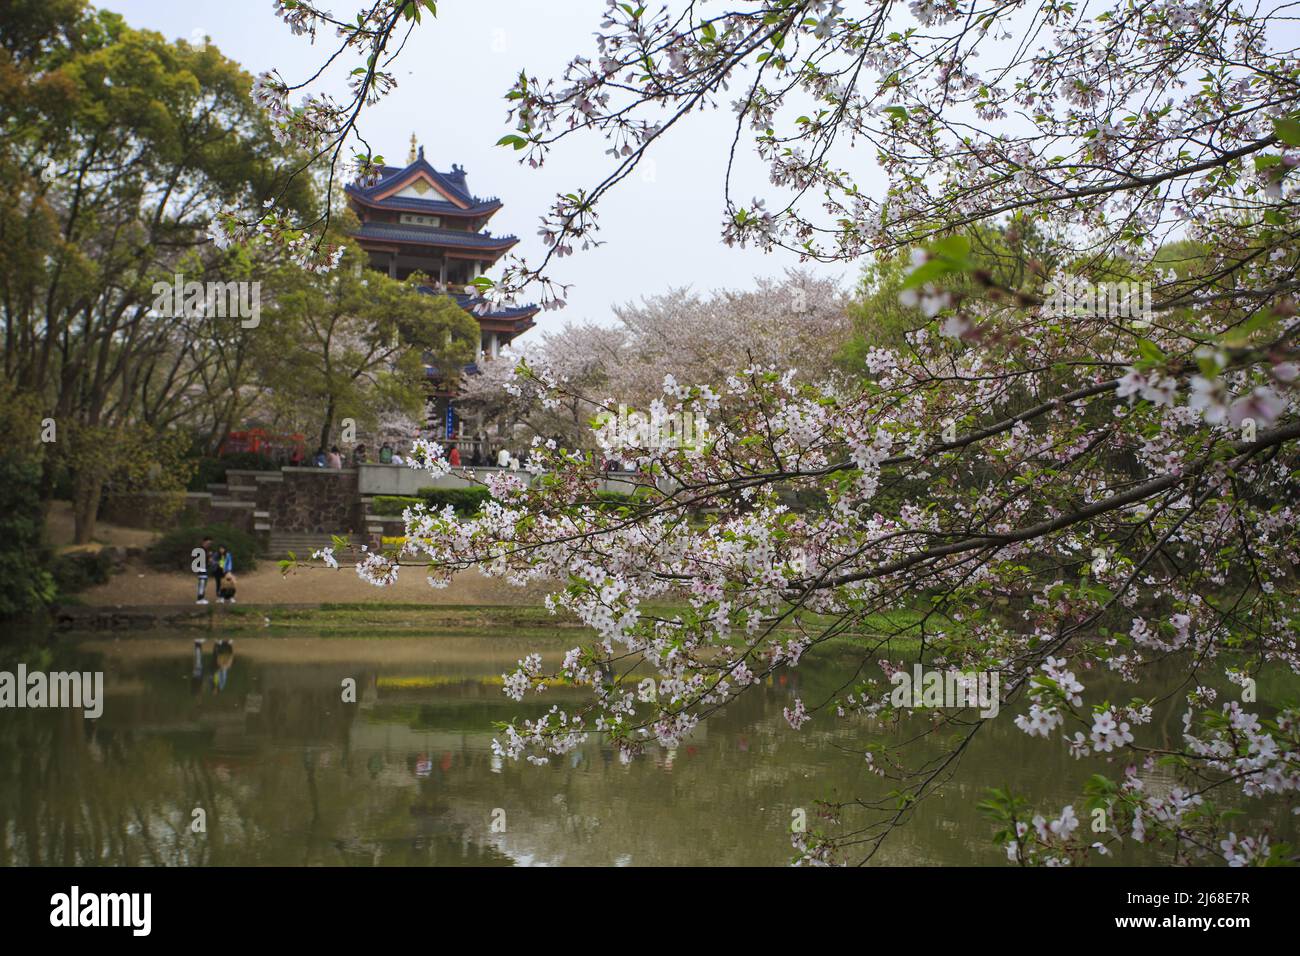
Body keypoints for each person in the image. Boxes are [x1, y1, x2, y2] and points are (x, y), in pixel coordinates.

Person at [195, 535, 213, 604]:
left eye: (210, 544)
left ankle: (201, 598)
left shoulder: (206, 550)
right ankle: (199, 599)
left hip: (205, 568)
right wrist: (208, 557)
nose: (209, 545)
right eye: (208, 543)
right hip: (201, 568)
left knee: (204, 583)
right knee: (202, 582)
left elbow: (208, 561)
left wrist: (209, 558)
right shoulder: (200, 549)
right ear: (204, 542)